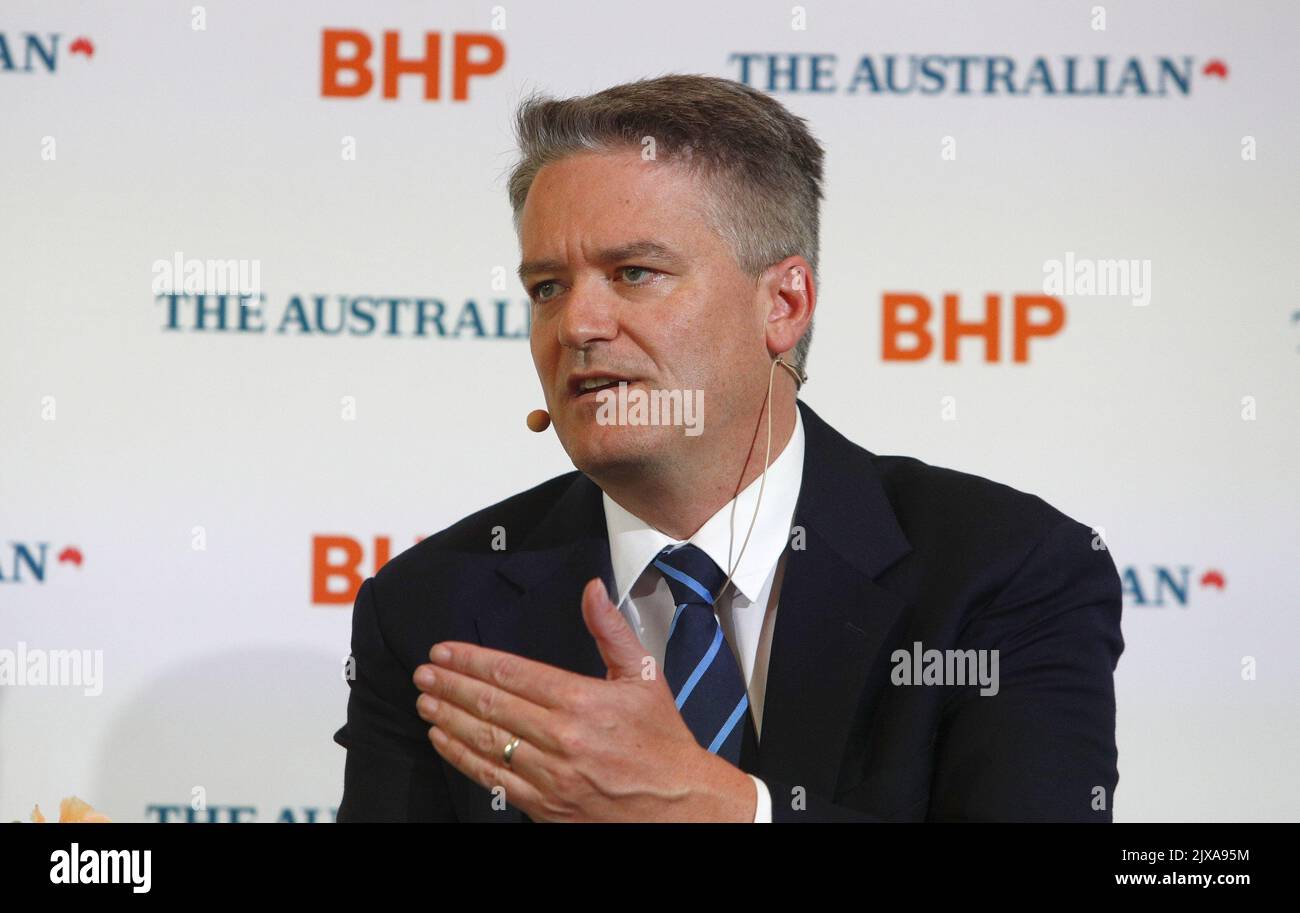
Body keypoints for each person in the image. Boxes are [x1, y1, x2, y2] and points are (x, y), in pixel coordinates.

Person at [333, 74, 1124, 822]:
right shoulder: (433, 610)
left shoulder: (1003, 570)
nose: (577, 325)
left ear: (783, 304)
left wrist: (716, 809)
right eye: (547, 287)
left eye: (634, 273)